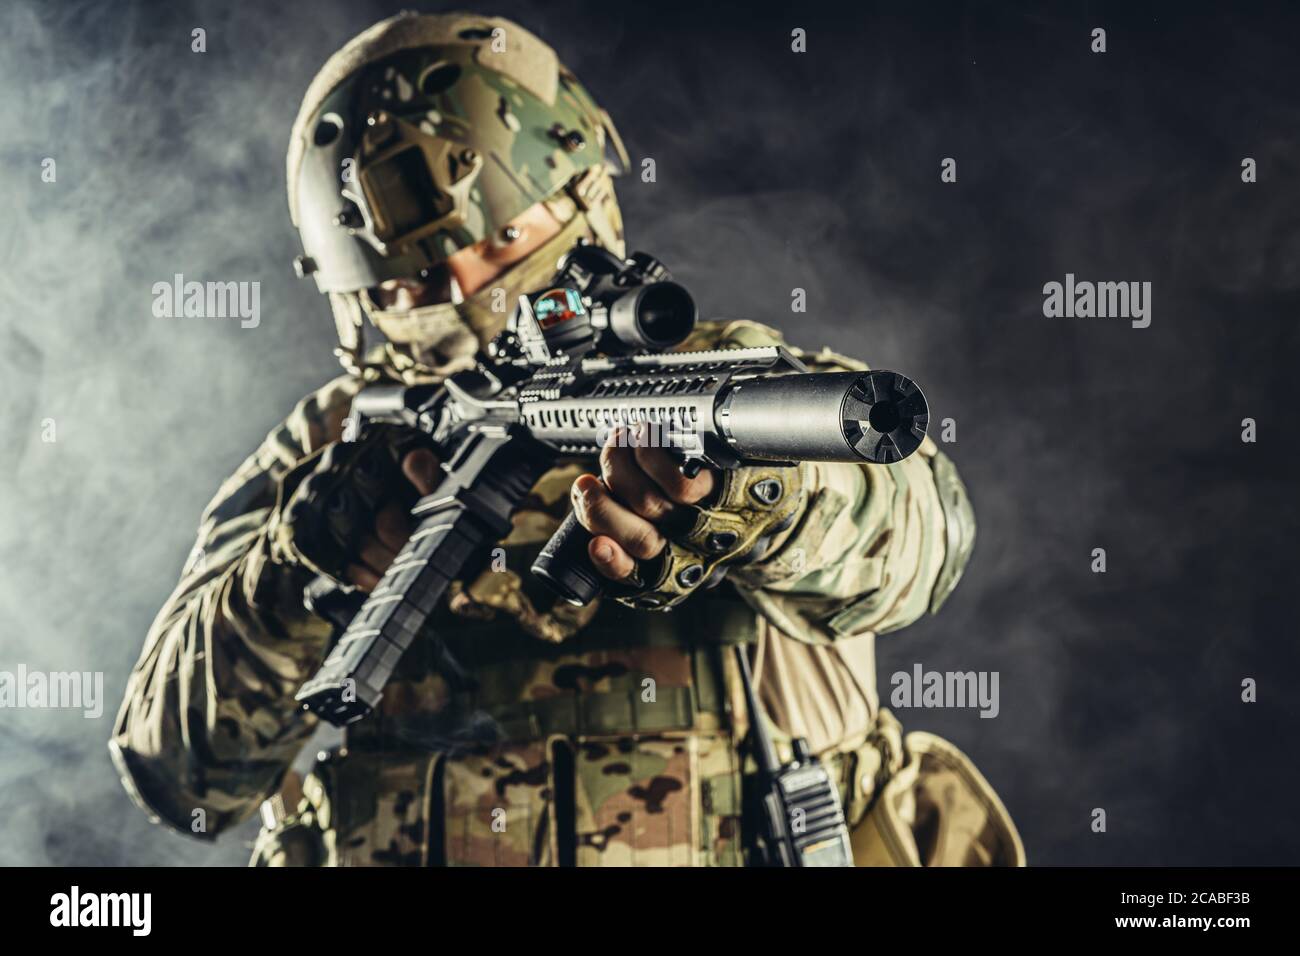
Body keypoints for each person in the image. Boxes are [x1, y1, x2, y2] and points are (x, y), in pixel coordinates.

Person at [111, 11, 1024, 867]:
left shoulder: (727, 379)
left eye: (504, 239)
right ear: (359, 296)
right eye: (416, 282)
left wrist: (766, 502)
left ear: (580, 202)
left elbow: (925, 547)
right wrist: (296, 578)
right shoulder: (330, 446)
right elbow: (179, 779)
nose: (469, 291)